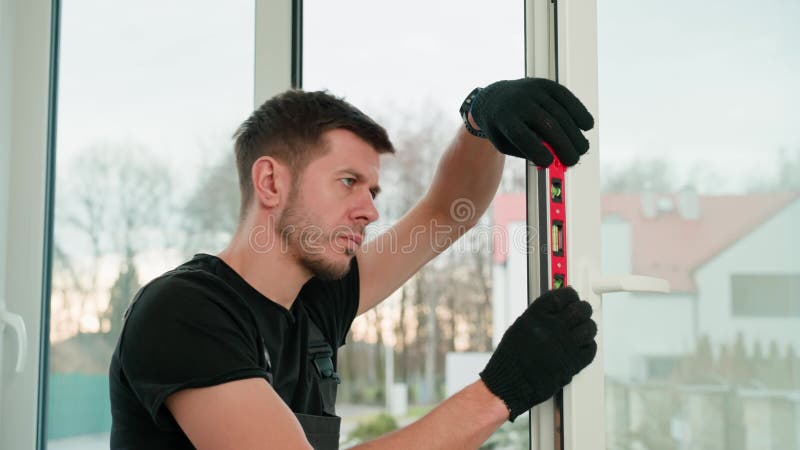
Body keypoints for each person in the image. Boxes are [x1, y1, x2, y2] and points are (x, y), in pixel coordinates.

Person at [108, 78, 598, 449]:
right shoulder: (184, 312)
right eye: (348, 182)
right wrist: (500, 391)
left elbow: (446, 213)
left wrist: (479, 119)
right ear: (272, 183)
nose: (370, 209)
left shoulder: (315, 297)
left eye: (372, 190)